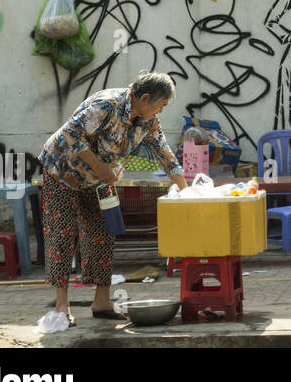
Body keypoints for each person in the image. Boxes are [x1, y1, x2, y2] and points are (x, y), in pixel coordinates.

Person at [38, 72, 188, 324]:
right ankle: (62, 306)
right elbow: (70, 135)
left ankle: (102, 301)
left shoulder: (146, 121)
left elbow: (164, 152)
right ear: (144, 97)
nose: (161, 111)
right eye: (160, 105)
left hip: (98, 181)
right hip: (62, 173)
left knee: (102, 235)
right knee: (62, 234)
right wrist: (98, 166)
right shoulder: (107, 105)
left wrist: (186, 189)